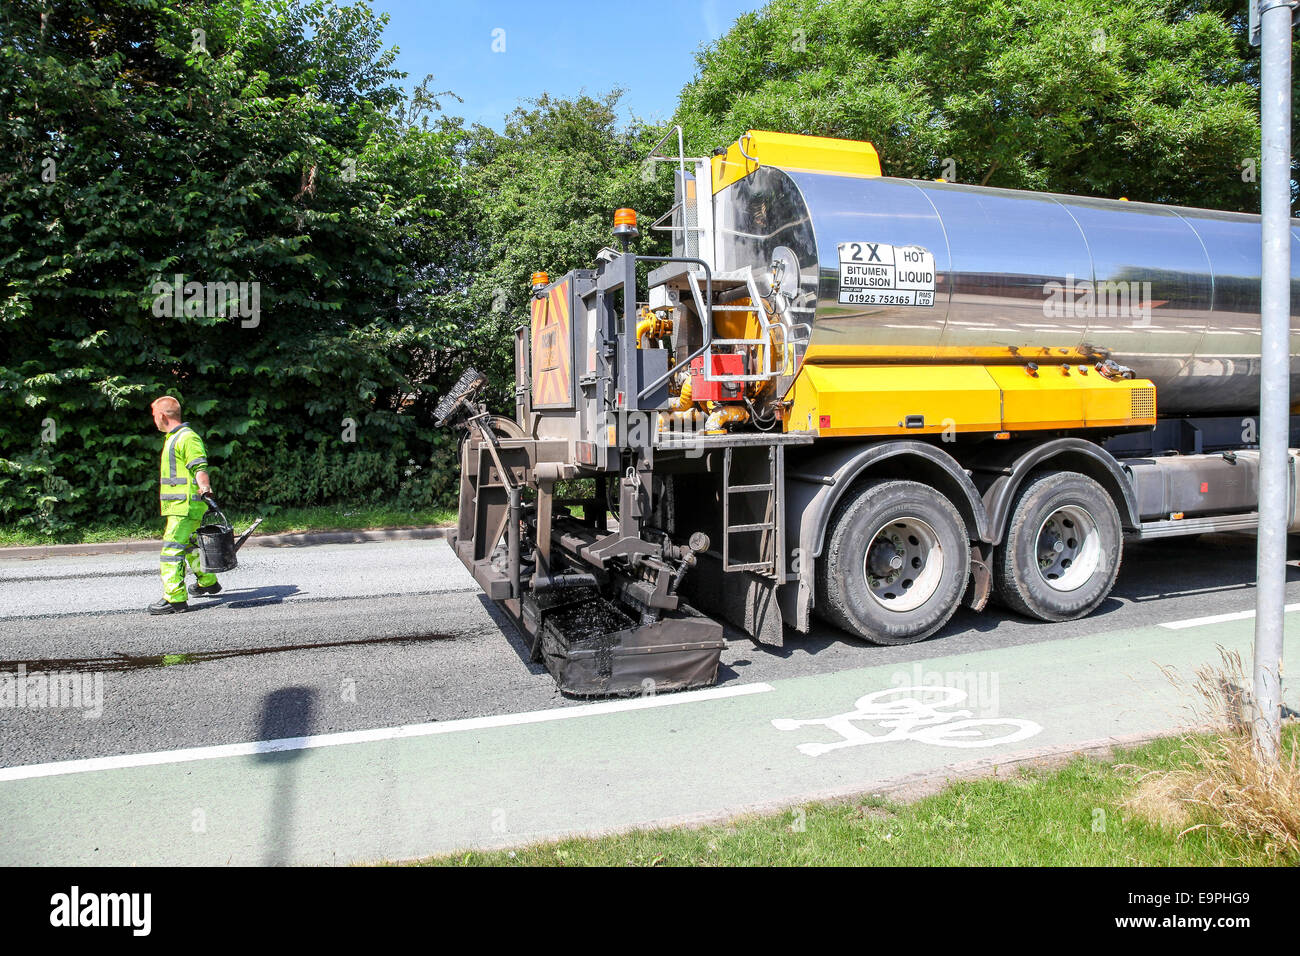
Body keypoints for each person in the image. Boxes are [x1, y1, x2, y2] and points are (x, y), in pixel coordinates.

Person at [148, 396, 221, 614]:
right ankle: (208, 582)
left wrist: (206, 491)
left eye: (154, 416)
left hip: (185, 506)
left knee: (171, 551)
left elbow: (199, 467)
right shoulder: (175, 437)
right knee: (190, 546)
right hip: (182, 505)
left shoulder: (186, 437)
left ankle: (175, 599)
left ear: (162, 415)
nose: (154, 420)